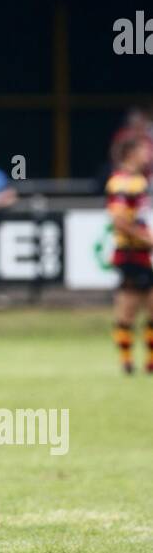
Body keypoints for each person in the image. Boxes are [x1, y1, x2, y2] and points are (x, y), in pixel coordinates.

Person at [106, 136, 153, 374]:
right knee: (128, 308)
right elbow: (119, 220)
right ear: (131, 153)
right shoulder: (123, 182)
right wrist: (147, 238)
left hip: (144, 253)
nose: (149, 154)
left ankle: (149, 363)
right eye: (144, 150)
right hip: (130, 253)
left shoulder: (139, 180)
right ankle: (126, 361)